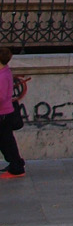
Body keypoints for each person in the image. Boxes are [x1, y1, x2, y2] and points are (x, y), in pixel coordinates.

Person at [0, 48, 27, 178]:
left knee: (6, 141)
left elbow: (1, 97)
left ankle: (16, 167)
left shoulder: (3, 76)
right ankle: (16, 164)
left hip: (3, 114)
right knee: (6, 141)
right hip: (4, 113)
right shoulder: (4, 71)